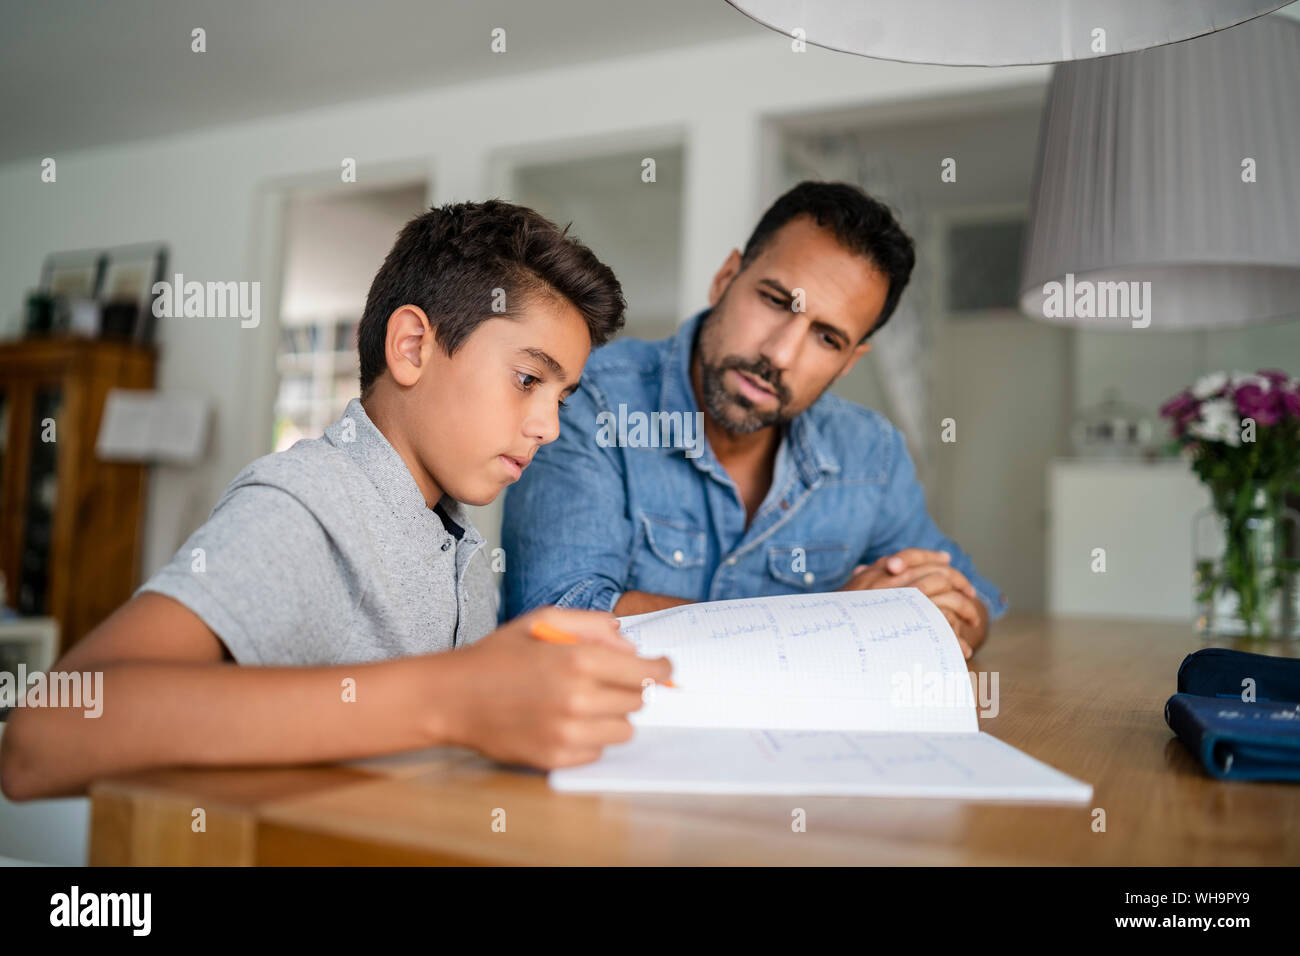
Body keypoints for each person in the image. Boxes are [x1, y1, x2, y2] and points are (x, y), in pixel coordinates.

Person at [0, 200, 671, 802]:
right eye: (528, 379)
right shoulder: (309, 505)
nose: (548, 426)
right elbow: (43, 737)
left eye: (562, 397)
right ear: (411, 347)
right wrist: (455, 697)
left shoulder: (461, 547)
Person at [503, 181, 1007, 657]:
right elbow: (559, 618)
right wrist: (836, 622)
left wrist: (955, 613)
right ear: (726, 279)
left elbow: (970, 596)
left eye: (827, 338)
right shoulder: (591, 399)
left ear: (850, 360)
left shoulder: (870, 451)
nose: (782, 354)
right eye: (775, 301)